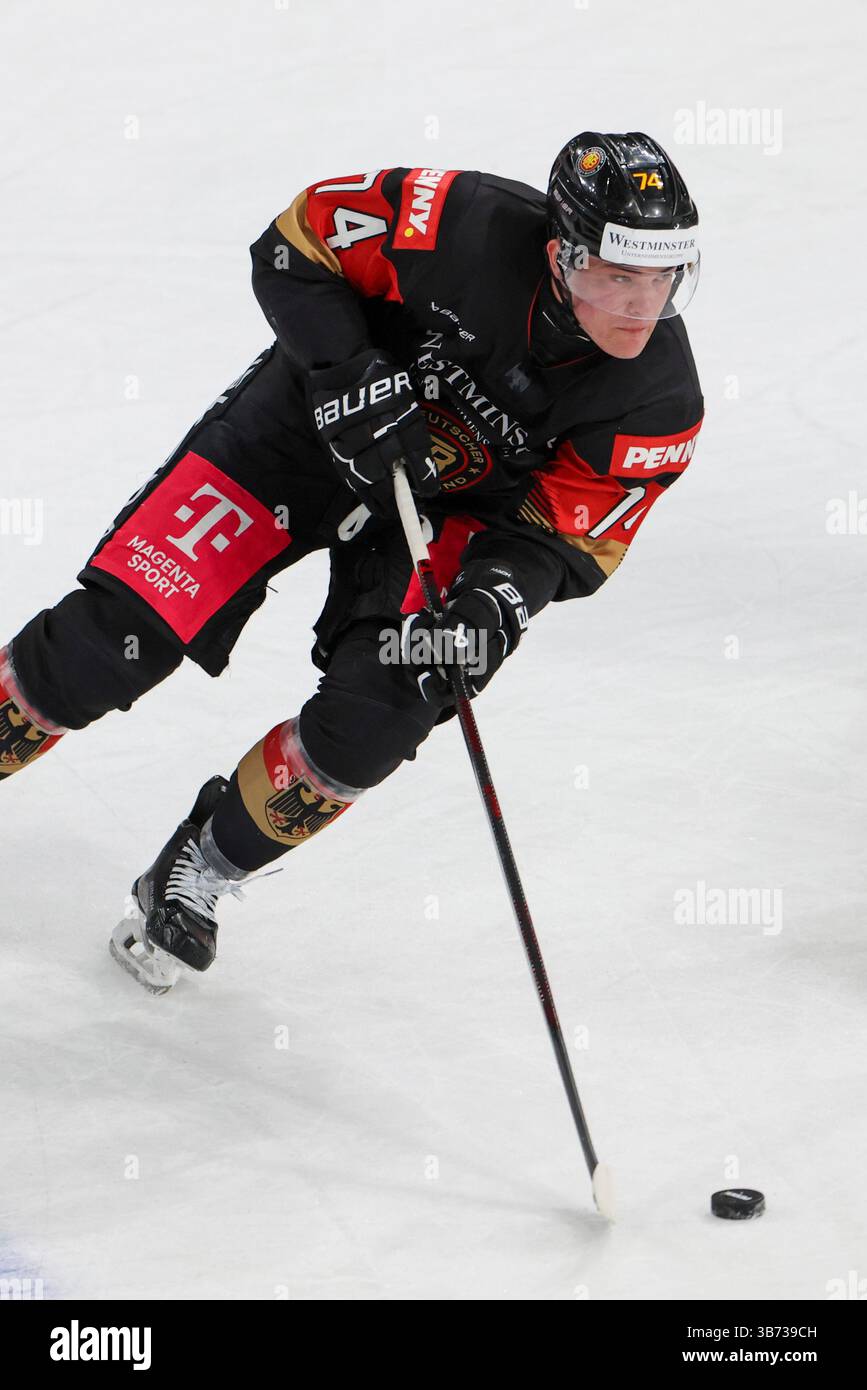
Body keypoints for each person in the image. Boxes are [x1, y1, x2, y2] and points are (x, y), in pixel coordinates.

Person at [0, 131, 704, 992]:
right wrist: (345, 369)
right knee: (111, 641)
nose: (640, 306)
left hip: (448, 518)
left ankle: (203, 868)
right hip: (298, 433)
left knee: (389, 707)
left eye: (665, 277)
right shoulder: (458, 222)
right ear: (559, 257)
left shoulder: (658, 402)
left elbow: (564, 537)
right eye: (617, 275)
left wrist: (490, 602)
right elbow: (292, 245)